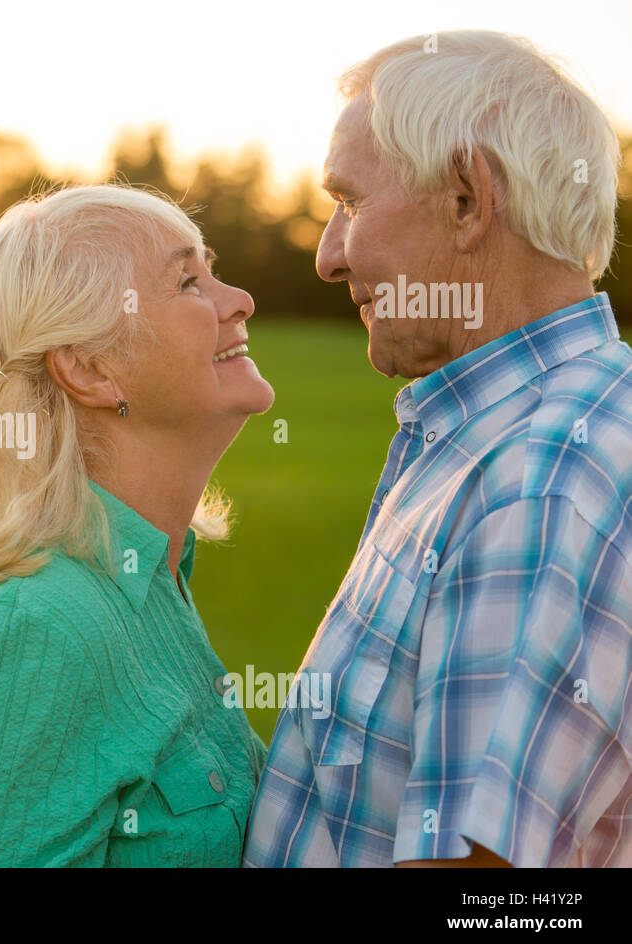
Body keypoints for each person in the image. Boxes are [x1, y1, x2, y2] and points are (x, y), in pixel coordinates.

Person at [245, 30, 632, 868]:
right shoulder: (500, 435)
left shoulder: (540, 478)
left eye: (348, 203)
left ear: (466, 199)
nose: (326, 255)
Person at [0, 182, 275, 866]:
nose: (238, 300)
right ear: (88, 368)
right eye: (189, 281)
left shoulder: (144, 579)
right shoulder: (32, 630)